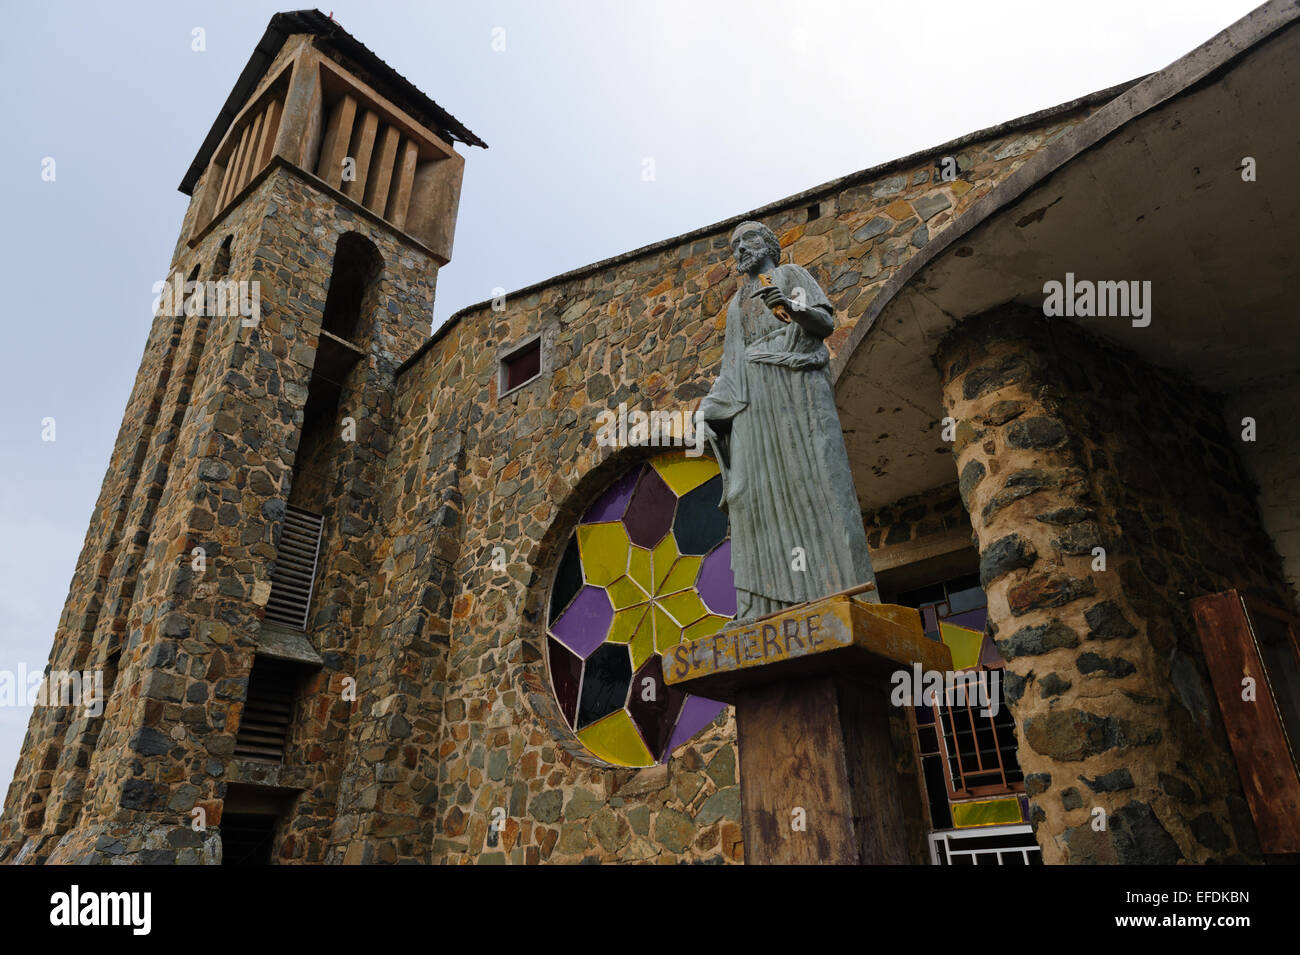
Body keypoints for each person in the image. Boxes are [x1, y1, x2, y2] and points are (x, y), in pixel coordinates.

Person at [696, 221, 876, 621]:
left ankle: (837, 588)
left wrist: (791, 305)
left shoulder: (791, 275)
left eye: (749, 240)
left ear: (770, 245)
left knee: (812, 482)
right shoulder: (736, 305)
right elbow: (731, 367)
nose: (741, 249)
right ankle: (768, 603)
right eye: (734, 244)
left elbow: (825, 325)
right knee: (753, 494)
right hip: (752, 402)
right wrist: (708, 409)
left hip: (795, 391)